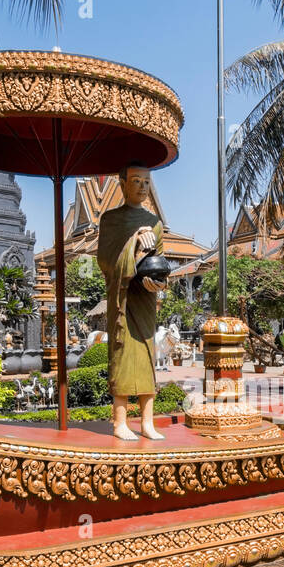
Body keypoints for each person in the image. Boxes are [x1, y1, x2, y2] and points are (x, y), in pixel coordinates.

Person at [97, 163, 166, 441]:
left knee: (148, 356)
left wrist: (159, 282)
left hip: (144, 298)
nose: (142, 187)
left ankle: (148, 422)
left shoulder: (155, 222)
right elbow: (104, 260)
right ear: (122, 183)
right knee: (124, 356)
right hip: (122, 297)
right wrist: (135, 243)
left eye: (147, 182)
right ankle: (120, 423)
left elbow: (159, 263)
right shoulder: (111, 220)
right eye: (136, 181)